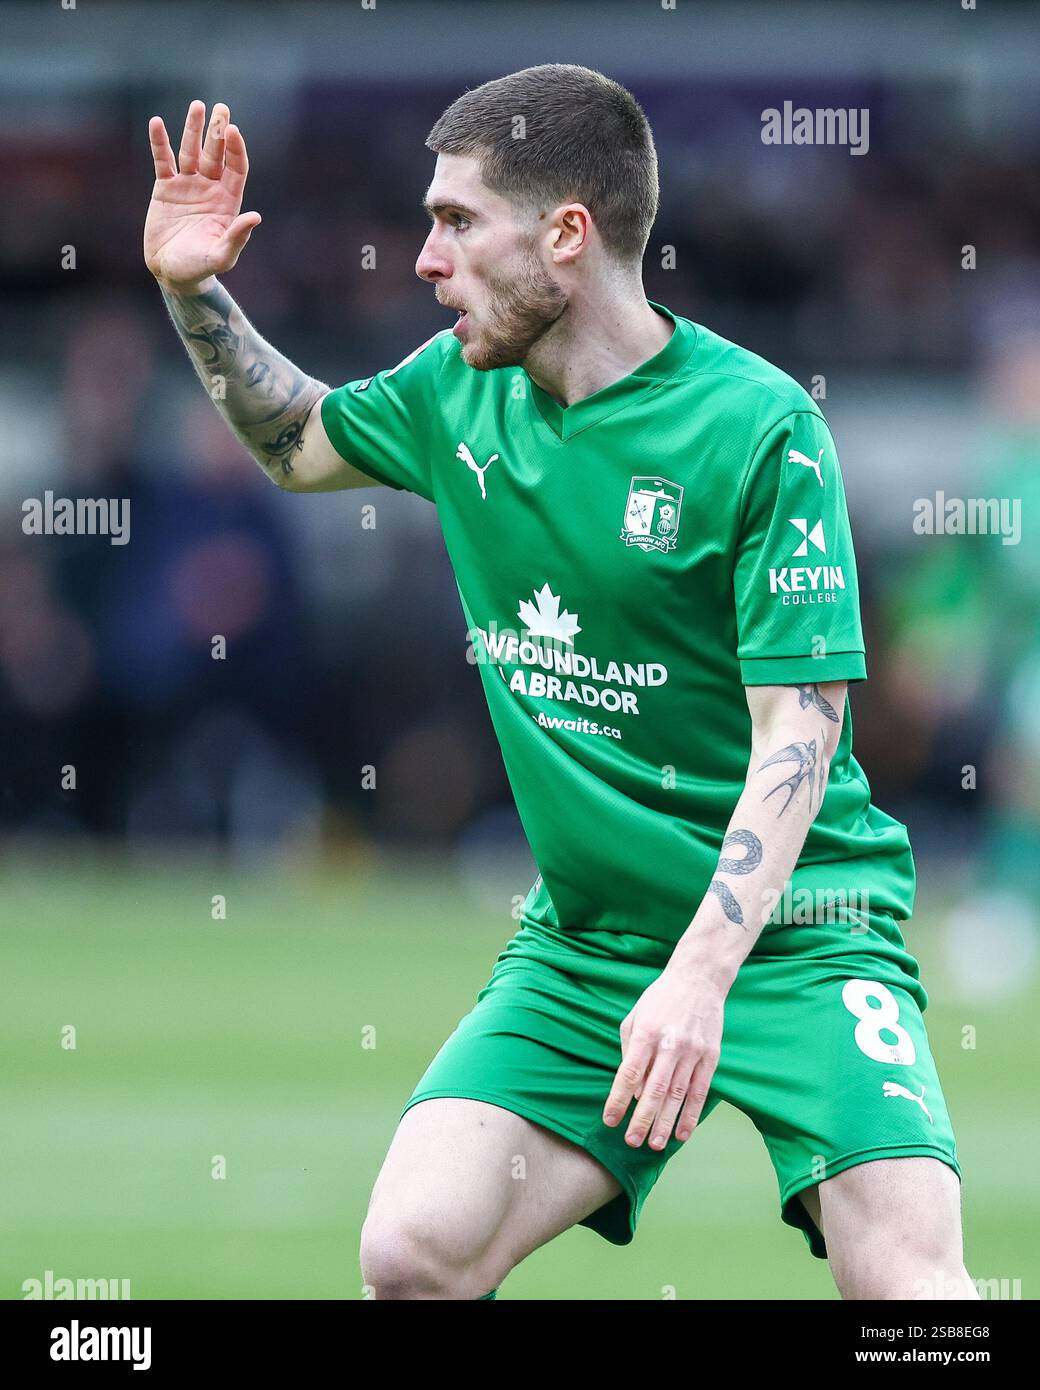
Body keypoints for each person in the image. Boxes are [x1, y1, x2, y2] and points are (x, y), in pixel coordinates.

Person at [144, 65, 976, 1301]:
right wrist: (193, 288)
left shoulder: (757, 428)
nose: (426, 260)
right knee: (410, 1254)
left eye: (455, 222)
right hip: (589, 942)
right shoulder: (454, 390)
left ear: (566, 236)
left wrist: (699, 979)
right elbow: (292, 437)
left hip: (799, 932)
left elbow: (793, 740)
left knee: (905, 1284)